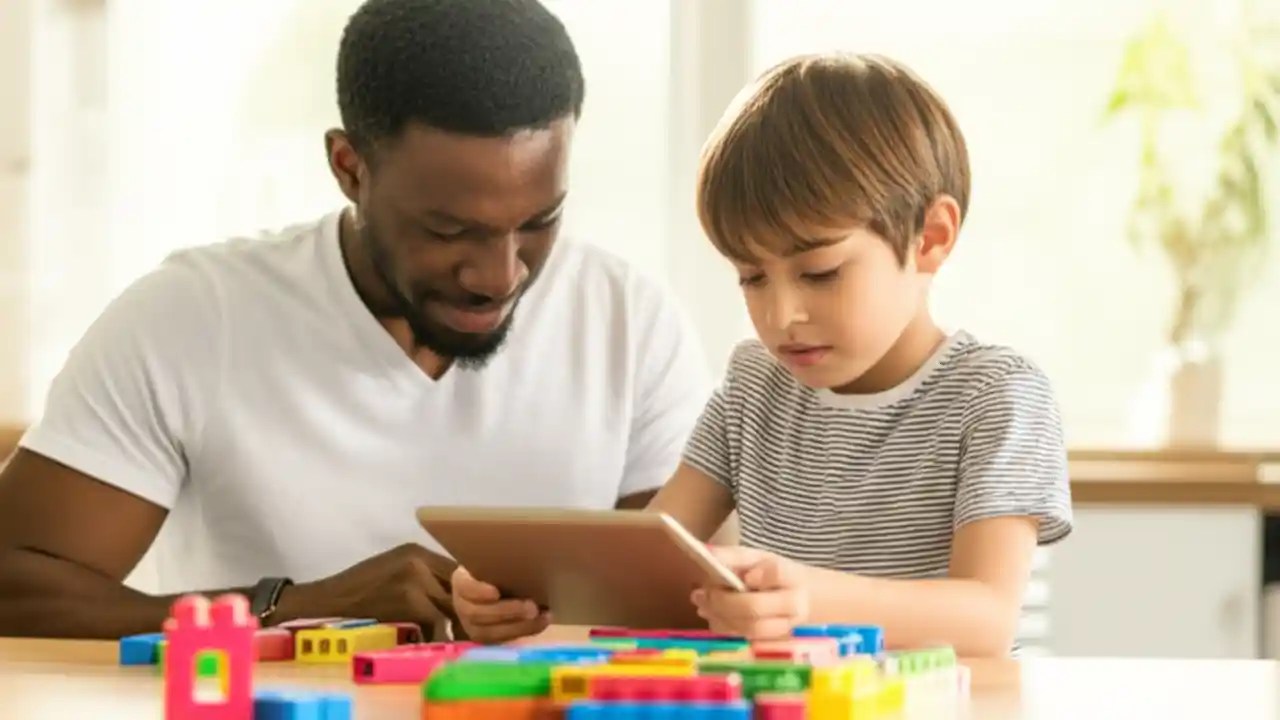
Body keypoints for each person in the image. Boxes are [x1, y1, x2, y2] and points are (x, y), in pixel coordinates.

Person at [0, 0, 710, 640]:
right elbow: (13, 582)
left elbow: (700, 606)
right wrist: (295, 608)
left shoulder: (629, 324)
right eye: (447, 229)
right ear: (349, 167)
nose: (499, 275)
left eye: (538, 221)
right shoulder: (191, 318)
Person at [450, 53, 1073, 656]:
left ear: (930, 238)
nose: (782, 317)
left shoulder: (997, 395)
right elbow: (645, 561)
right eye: (752, 277)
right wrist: (521, 601)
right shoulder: (757, 385)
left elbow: (989, 617)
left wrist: (809, 598)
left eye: (821, 273)